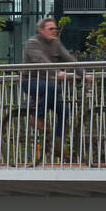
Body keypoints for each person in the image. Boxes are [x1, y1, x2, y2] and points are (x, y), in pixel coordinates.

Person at [22, 17, 82, 161]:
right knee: (52, 87)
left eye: (55, 29)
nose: (54, 31)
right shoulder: (32, 44)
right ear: (41, 30)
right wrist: (57, 72)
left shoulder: (56, 43)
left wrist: (84, 74)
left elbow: (69, 58)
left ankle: (58, 143)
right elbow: (41, 61)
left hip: (49, 83)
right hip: (30, 81)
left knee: (65, 110)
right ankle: (37, 118)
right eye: (50, 29)